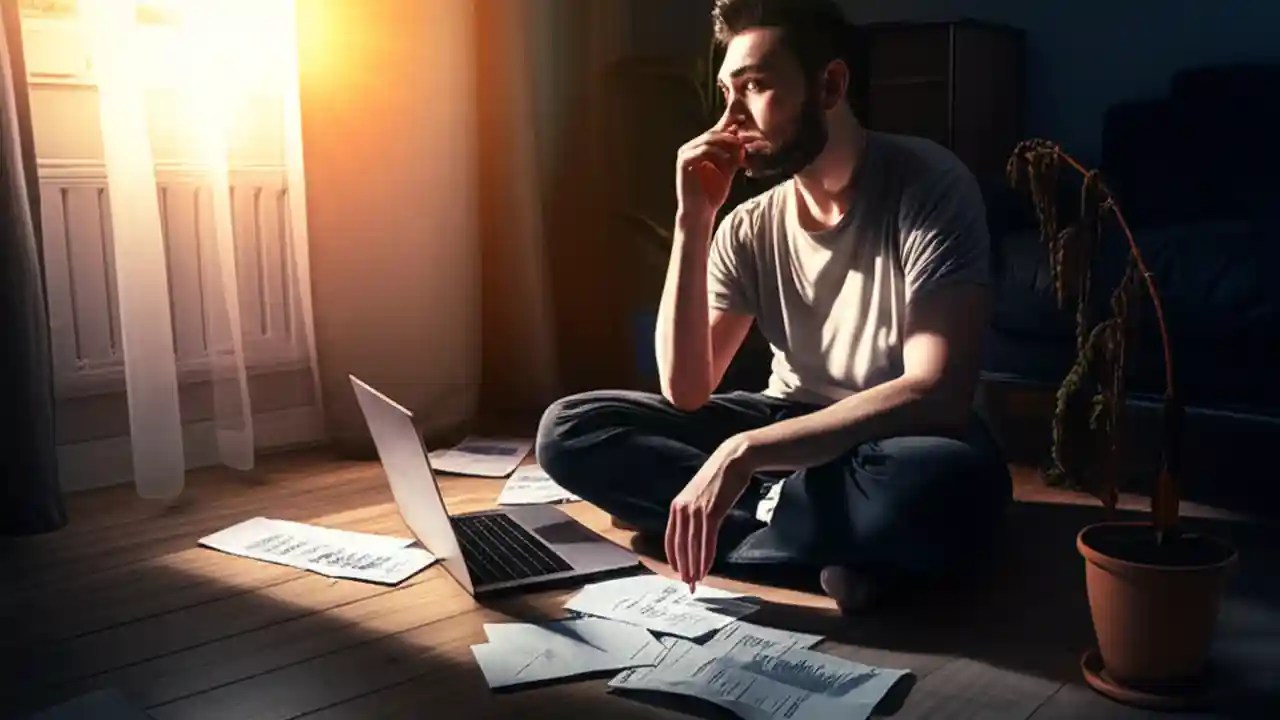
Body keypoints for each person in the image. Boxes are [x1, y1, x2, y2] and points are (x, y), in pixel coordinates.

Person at [536, 0, 1012, 614]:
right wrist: (694, 219)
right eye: (725, 93)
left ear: (830, 86)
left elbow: (936, 392)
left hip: (899, 438)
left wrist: (744, 454)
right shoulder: (748, 225)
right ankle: (828, 550)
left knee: (941, 483)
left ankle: (720, 529)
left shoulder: (929, 185)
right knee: (570, 429)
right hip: (789, 420)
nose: (730, 120)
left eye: (756, 87)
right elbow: (686, 388)